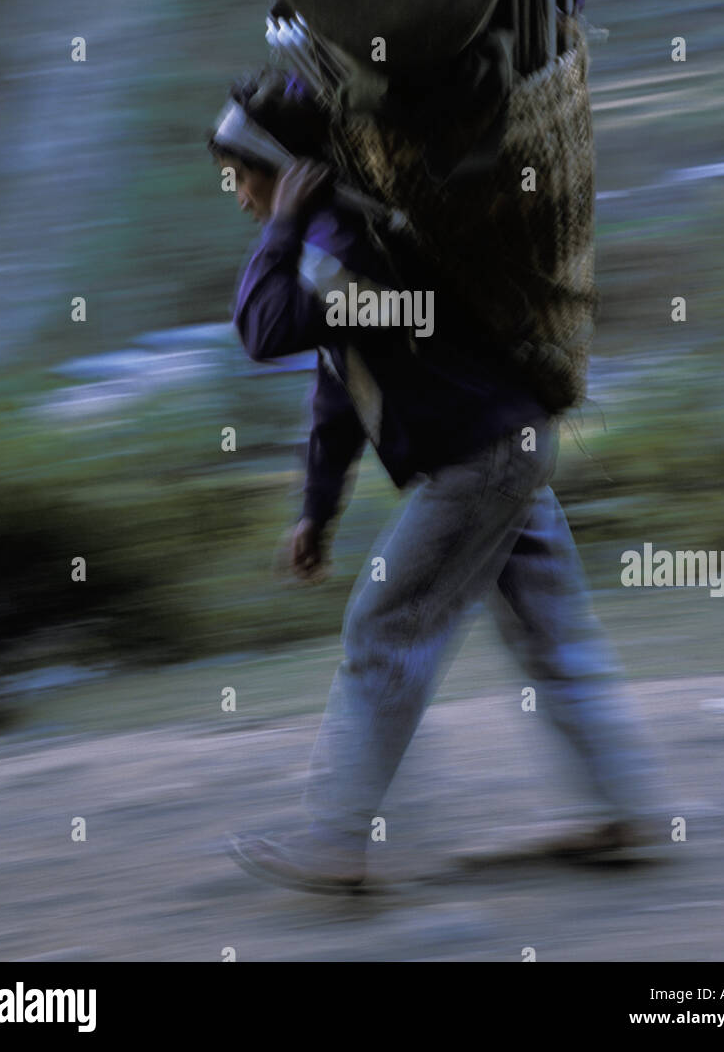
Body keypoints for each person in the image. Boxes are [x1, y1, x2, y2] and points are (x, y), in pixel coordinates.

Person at [210, 71, 667, 894]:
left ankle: (341, 843)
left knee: (383, 629)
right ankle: (627, 814)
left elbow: (261, 329)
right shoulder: (348, 245)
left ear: (286, 171)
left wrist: (279, 228)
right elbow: (337, 392)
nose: (236, 193)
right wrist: (316, 512)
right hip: (509, 447)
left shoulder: (332, 252)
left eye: (244, 175)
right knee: (551, 636)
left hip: (478, 463)